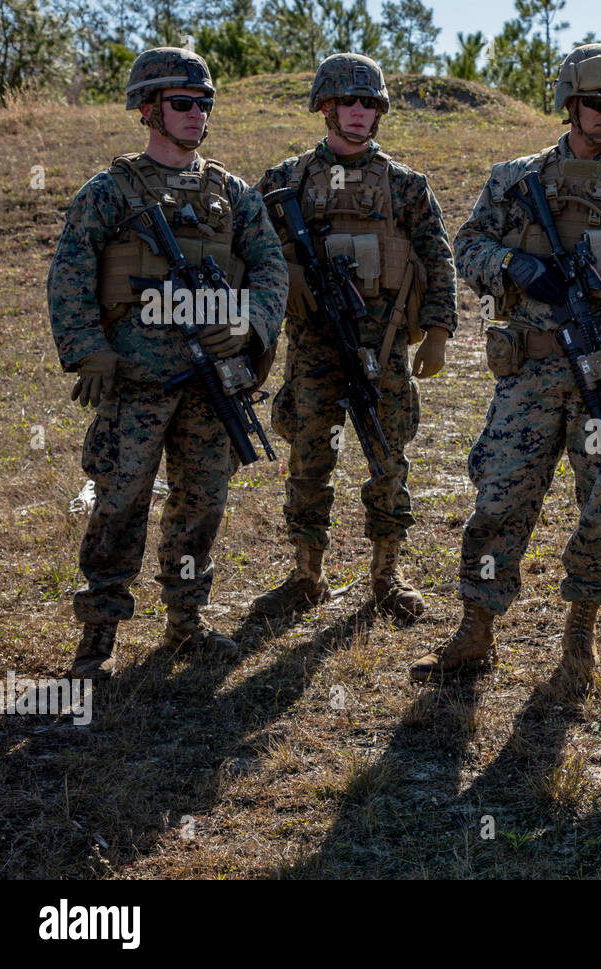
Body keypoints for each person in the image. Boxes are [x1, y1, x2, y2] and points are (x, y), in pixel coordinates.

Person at [408, 44, 601, 682]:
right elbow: (468, 246)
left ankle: (579, 639)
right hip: (531, 373)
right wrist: (516, 266)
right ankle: (475, 630)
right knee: (499, 501)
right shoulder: (517, 181)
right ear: (570, 102)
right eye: (597, 102)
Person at [48, 47, 288, 678]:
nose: (196, 114)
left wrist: (249, 324)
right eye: (183, 103)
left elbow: (269, 268)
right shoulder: (108, 193)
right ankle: (98, 634)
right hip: (135, 377)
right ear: (150, 109)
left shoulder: (231, 193)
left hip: (212, 384)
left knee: (202, 501)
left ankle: (186, 618)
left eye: (204, 103)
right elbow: (70, 272)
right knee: (118, 501)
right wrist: (87, 349)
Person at [252, 53, 457, 623]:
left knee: (388, 461)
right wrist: (271, 312)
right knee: (309, 459)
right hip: (314, 345)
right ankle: (305, 575)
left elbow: (439, 259)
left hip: (385, 346)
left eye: (370, 103)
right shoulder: (284, 182)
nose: (360, 112)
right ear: (325, 107)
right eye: (348, 101)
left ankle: (387, 576)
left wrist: (438, 331)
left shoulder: (406, 185)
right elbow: (251, 259)